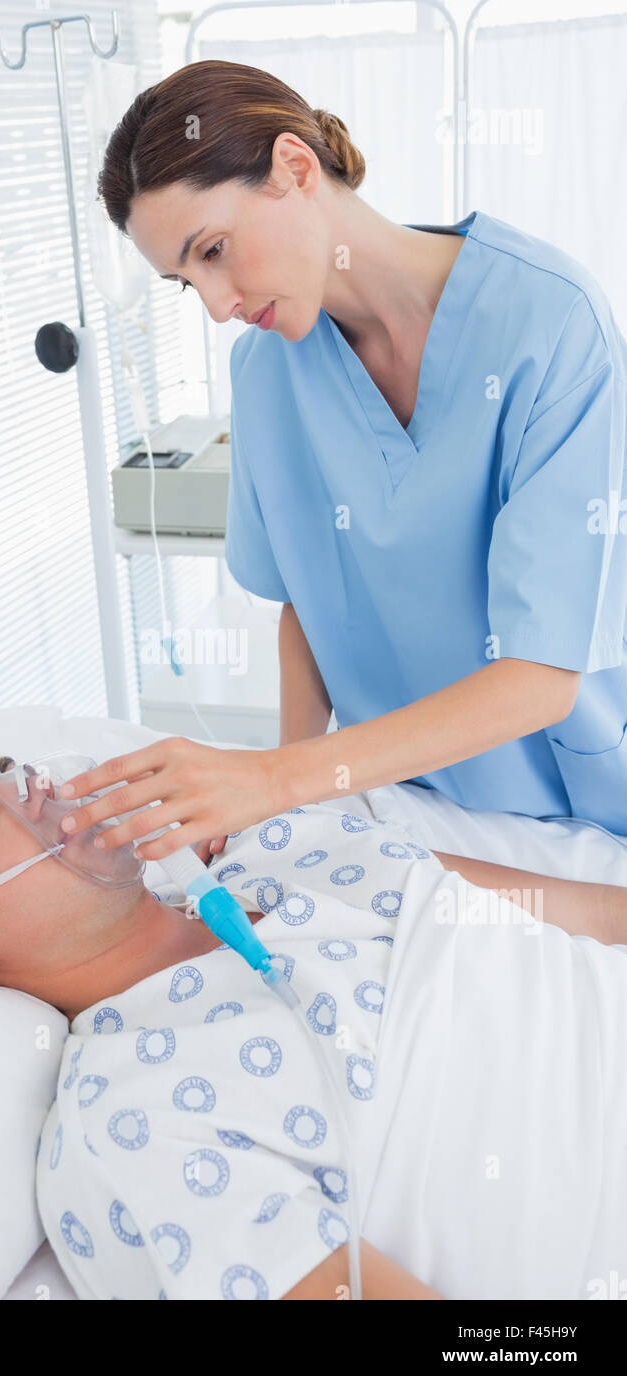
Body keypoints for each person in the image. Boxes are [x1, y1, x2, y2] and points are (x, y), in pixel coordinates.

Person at [0, 733, 627, 1299]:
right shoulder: (127, 1126)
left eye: (11, 769)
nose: (31, 787)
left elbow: (596, 914)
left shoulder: (283, 841)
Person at [81, 57, 627, 857]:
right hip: (406, 809)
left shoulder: (550, 326)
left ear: (294, 168)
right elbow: (305, 601)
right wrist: (278, 805)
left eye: (216, 250)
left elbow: (543, 674)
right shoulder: (267, 373)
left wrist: (276, 780)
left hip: (578, 810)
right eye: (184, 281)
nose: (220, 306)